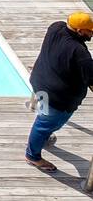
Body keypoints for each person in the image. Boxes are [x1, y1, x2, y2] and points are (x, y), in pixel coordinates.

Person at [25, 12, 93, 171]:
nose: (91, 33)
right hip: (58, 99)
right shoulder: (80, 53)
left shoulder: (56, 27)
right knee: (45, 124)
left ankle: (44, 137)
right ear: (78, 31)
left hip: (39, 81)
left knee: (44, 117)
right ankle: (32, 156)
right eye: (89, 31)